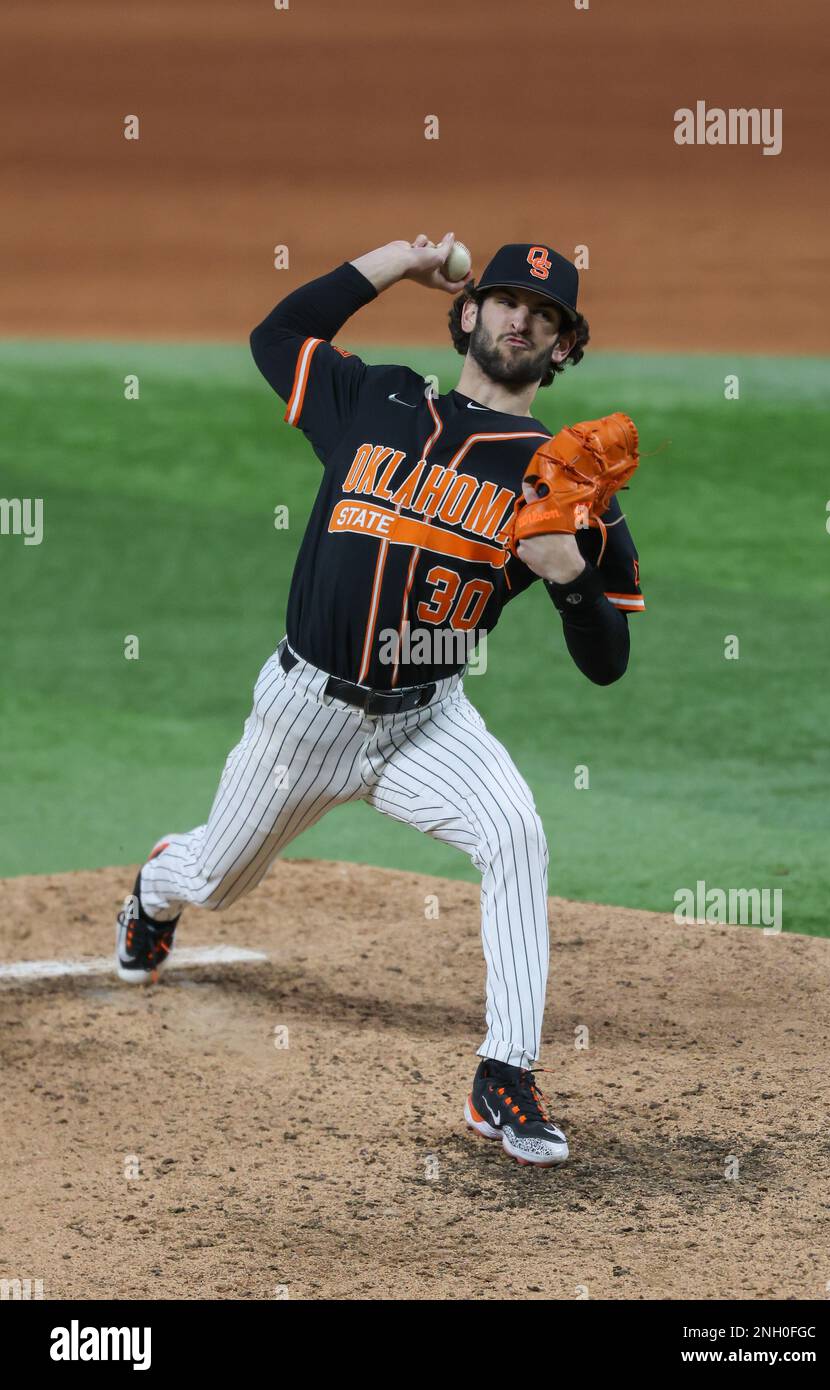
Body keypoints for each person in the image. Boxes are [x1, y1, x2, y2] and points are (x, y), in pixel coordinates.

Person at [115, 234, 644, 1167]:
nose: (522, 317)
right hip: (301, 721)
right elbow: (278, 333)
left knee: (514, 833)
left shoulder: (560, 483)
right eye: (506, 299)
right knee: (216, 882)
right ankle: (158, 886)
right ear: (471, 314)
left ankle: (504, 1076)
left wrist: (568, 579)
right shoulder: (373, 397)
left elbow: (608, 661)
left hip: (429, 719)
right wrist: (395, 259)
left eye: (547, 314)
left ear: (564, 346)